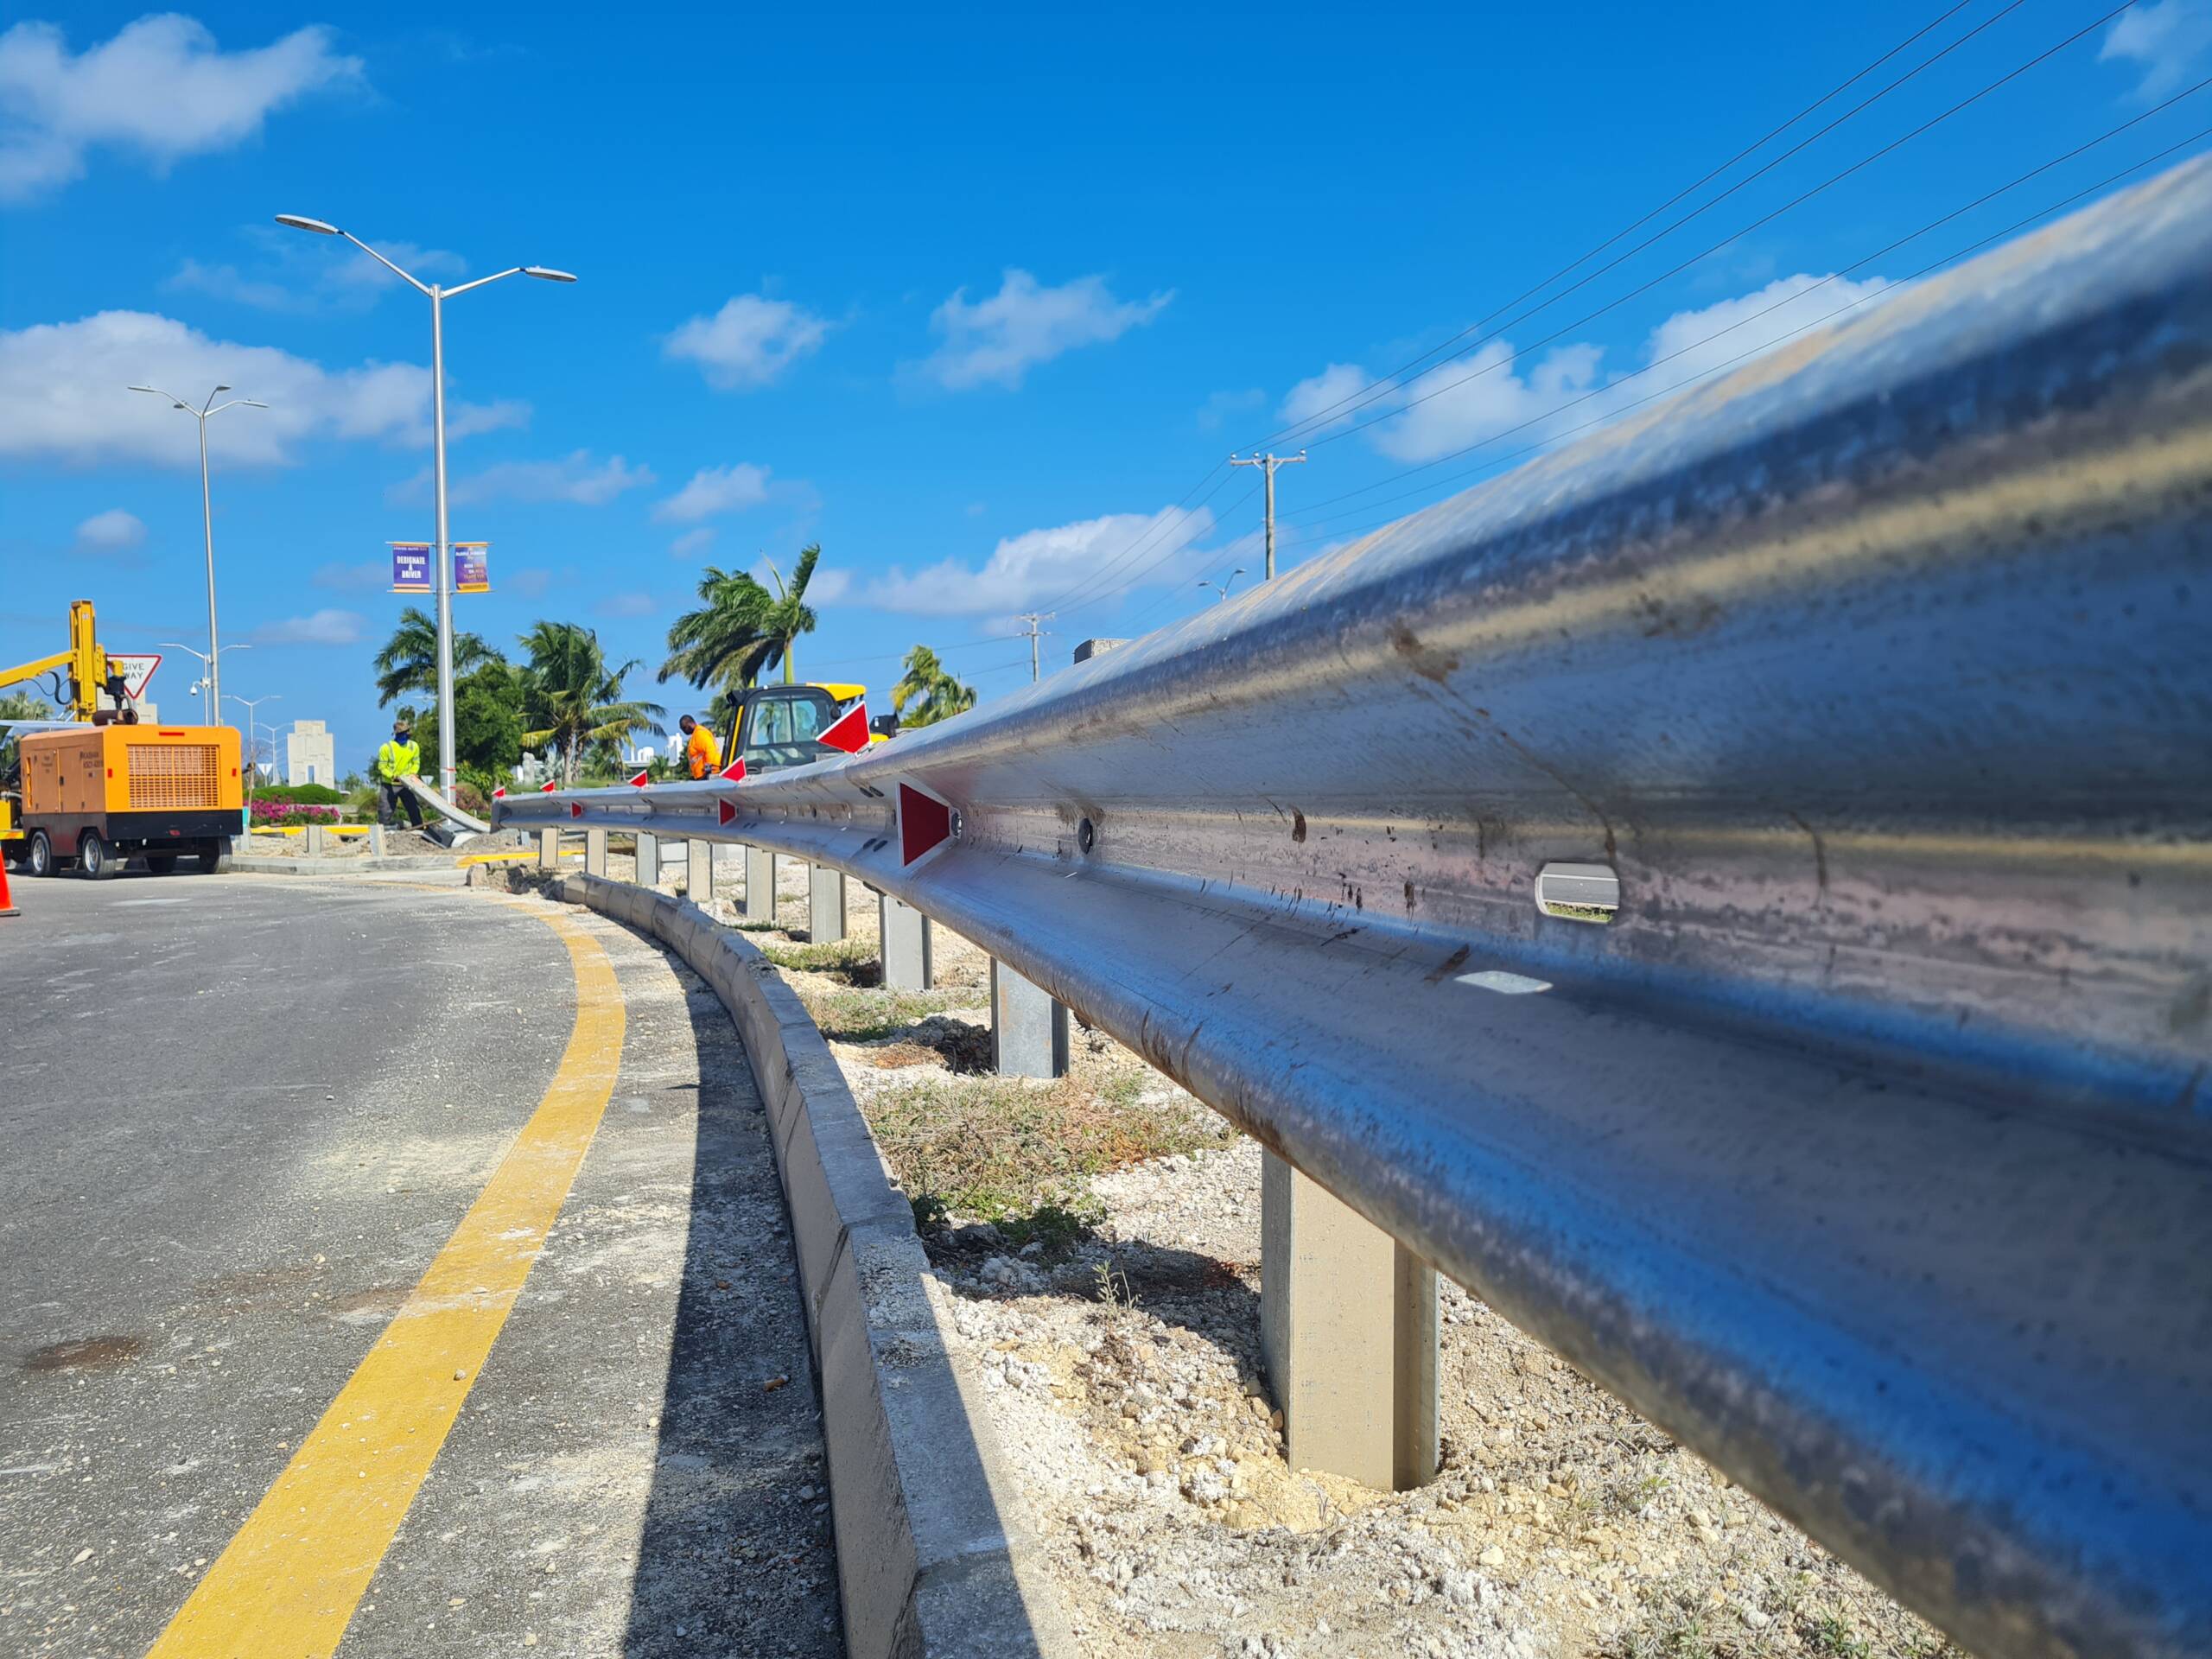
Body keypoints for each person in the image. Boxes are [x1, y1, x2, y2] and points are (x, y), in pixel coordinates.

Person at [375, 719, 426, 830]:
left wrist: (413, 773)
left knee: (414, 809)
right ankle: (382, 831)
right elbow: (382, 767)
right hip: (389, 785)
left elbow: (416, 763)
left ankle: (419, 830)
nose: (403, 736)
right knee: (385, 811)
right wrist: (392, 776)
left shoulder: (413, 746)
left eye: (404, 733)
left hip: (406, 784)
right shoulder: (386, 748)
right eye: (401, 733)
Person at [680, 713, 722, 780]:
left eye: (684, 727)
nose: (684, 731)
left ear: (690, 724)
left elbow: (710, 750)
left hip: (709, 774)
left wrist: (708, 771)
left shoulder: (700, 734)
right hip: (702, 775)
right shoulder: (696, 735)